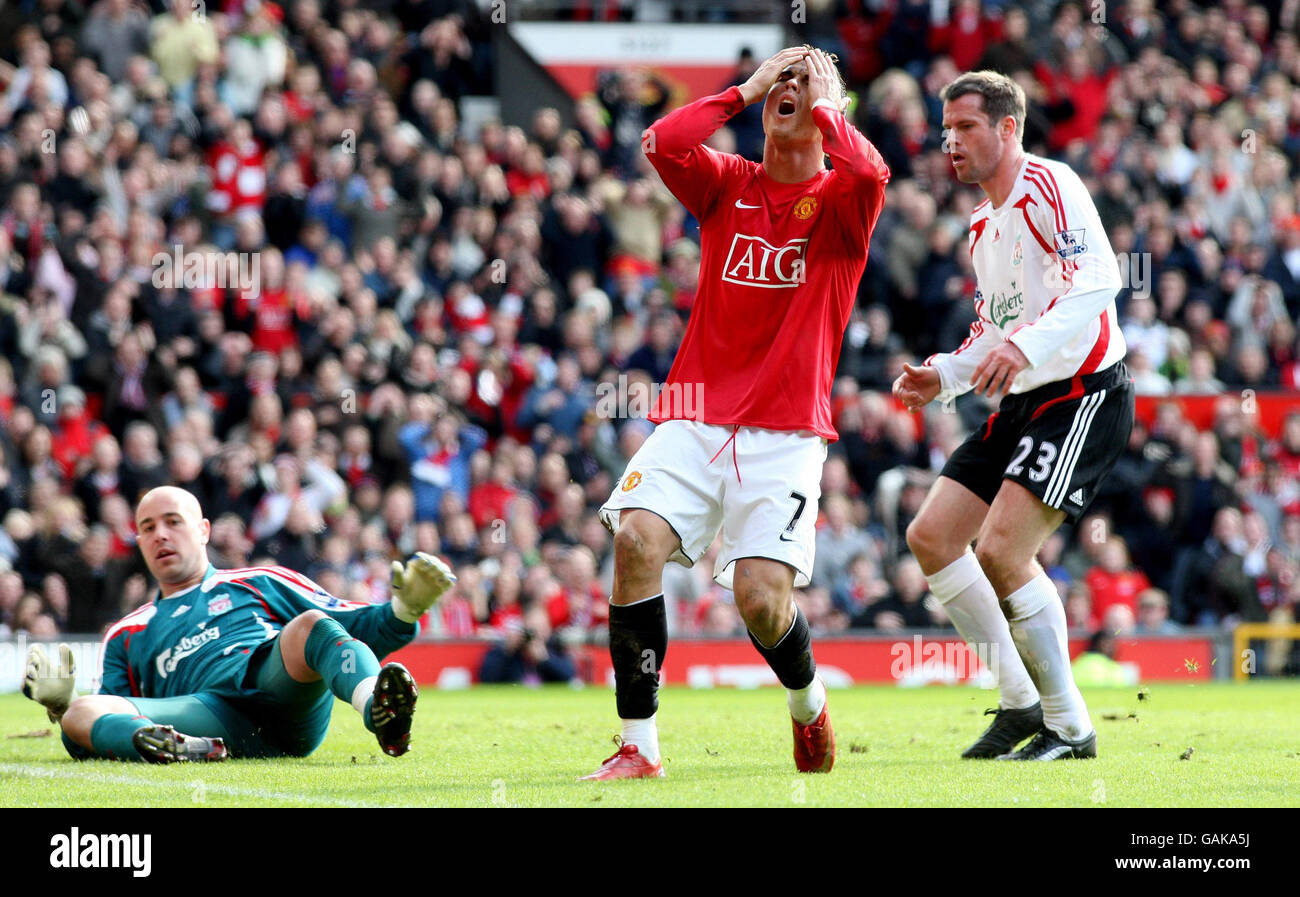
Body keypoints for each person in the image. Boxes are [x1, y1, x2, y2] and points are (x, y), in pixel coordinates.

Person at [587, 46, 890, 779]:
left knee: (760, 599)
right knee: (634, 542)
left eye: (805, 82)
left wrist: (826, 104)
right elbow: (661, 141)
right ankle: (640, 746)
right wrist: (742, 89)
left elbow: (873, 172)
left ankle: (807, 701)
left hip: (784, 434)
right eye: (781, 84)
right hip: (694, 414)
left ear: (829, 114)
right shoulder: (727, 182)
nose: (788, 91)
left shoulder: (845, 206)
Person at [893, 70, 1133, 761]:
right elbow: (991, 332)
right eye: (946, 130)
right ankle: (1021, 700)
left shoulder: (1052, 185)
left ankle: (1071, 724)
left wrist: (1022, 345)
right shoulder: (981, 224)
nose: (950, 142)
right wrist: (944, 374)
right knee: (933, 536)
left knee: (1001, 549)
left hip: (1084, 392)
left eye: (965, 127)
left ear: (1007, 128)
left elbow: (1098, 281)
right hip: (1029, 398)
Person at [21, 486, 454, 763]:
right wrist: (65, 707)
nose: (161, 536)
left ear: (204, 530)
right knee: (83, 711)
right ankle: (178, 750)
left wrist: (404, 611)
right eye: (148, 528)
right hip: (208, 717)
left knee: (311, 625)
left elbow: (357, 626)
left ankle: (381, 715)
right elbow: (103, 715)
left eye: (173, 522)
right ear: (138, 541)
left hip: (281, 693)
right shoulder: (126, 633)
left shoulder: (260, 580)